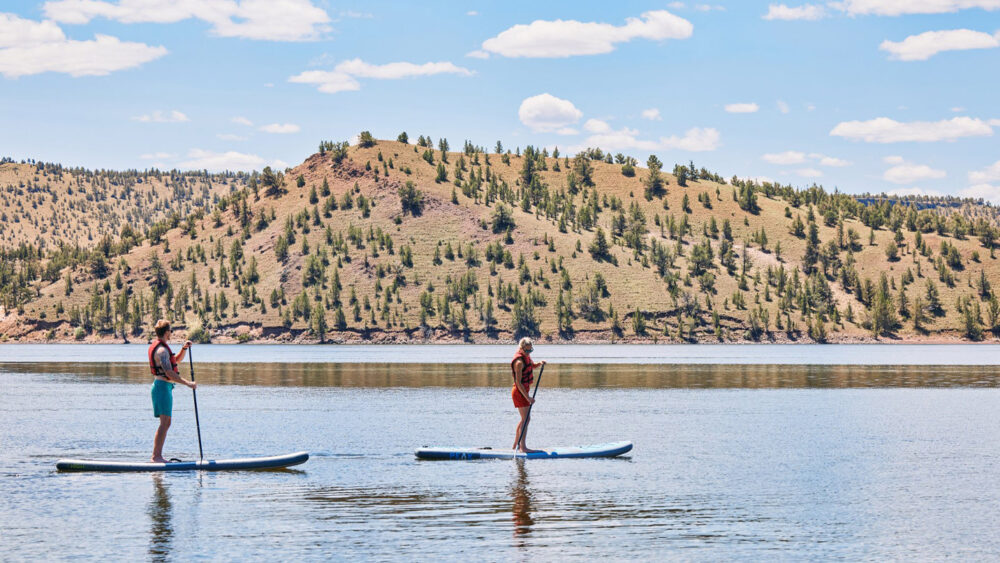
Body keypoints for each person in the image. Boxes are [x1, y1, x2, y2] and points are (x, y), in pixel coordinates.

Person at [148, 320, 196, 463]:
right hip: (161, 388)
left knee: (166, 422)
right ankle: (156, 457)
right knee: (164, 423)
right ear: (167, 332)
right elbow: (169, 372)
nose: (171, 334)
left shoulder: (163, 349)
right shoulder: (161, 351)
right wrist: (187, 383)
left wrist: (184, 349)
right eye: (171, 331)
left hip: (165, 388)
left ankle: (157, 456)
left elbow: (175, 361)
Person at [511, 337, 545, 453]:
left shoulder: (526, 357)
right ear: (521, 348)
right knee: (526, 419)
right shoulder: (519, 362)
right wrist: (528, 398)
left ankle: (516, 444)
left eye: (530, 350)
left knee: (524, 419)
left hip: (524, 391)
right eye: (526, 351)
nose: (528, 353)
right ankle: (523, 447)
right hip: (519, 392)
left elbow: (531, 366)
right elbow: (518, 383)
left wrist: (539, 364)